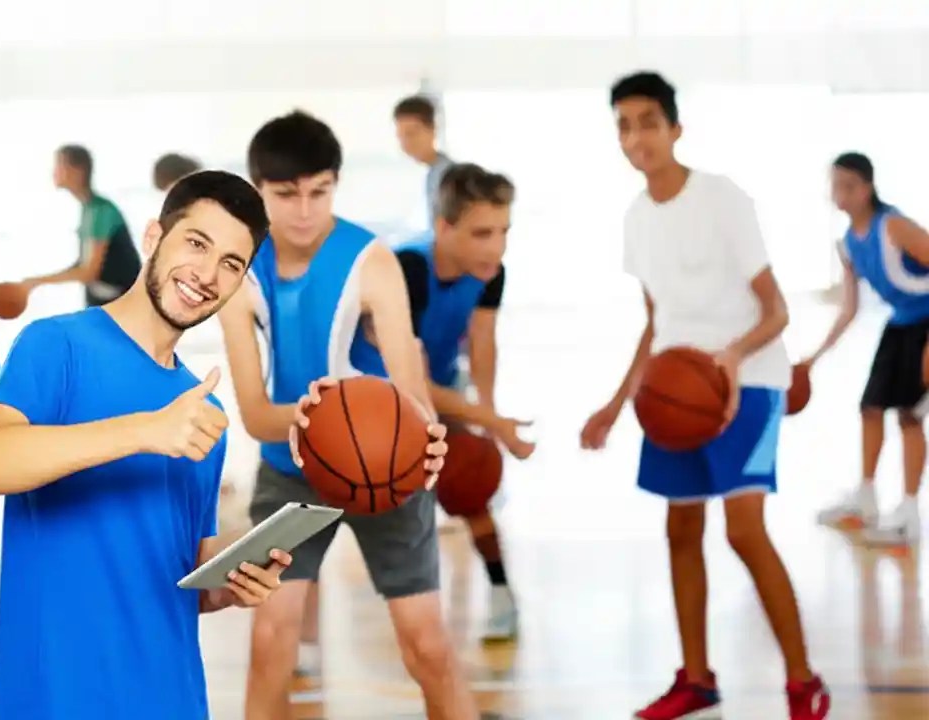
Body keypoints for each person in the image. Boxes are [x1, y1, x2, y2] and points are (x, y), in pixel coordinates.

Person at [0, 170, 290, 720]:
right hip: (56, 699)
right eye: (197, 244)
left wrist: (232, 577)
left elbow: (181, 575)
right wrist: (142, 430)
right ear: (154, 237)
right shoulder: (56, 344)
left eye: (232, 264)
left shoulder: (203, 414)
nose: (207, 275)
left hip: (173, 698)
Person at [579, 72, 830, 720]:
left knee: (745, 531)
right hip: (677, 386)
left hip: (748, 380)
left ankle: (803, 684)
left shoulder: (723, 198)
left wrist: (731, 360)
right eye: (624, 125)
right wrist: (615, 402)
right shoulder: (635, 219)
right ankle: (696, 680)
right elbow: (656, 321)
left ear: (675, 128)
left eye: (647, 122)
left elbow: (776, 311)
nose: (636, 137)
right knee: (680, 528)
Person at [217, 110, 474, 719]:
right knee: (270, 639)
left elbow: (410, 390)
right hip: (290, 470)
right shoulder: (239, 269)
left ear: (334, 184)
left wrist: (427, 438)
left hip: (384, 464)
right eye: (286, 195)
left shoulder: (371, 261)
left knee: (427, 646)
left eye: (319, 192)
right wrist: (315, 421)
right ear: (259, 191)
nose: (305, 210)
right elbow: (254, 413)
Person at [352, 161, 534, 643]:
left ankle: (500, 594)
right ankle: (305, 631)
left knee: (469, 480)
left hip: (436, 384)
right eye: (481, 233)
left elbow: (482, 342)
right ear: (443, 227)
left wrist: (489, 422)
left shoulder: (490, 272)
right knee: (374, 506)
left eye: (503, 231)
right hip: (376, 394)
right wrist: (488, 416)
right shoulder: (407, 269)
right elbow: (401, 374)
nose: (496, 246)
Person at [811, 152, 927, 546]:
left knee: (910, 416)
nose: (840, 193)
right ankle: (865, 497)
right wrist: (814, 356)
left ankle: (909, 513)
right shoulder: (846, 245)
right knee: (871, 407)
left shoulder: (893, 226)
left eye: (848, 185)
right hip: (900, 323)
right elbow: (849, 309)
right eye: (835, 184)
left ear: (867, 188)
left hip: (926, 321)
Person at [18, 145, 142, 307]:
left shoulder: (101, 211)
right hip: (103, 301)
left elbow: (88, 272)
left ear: (78, 171)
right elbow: (84, 265)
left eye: (59, 165)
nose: (54, 172)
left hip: (123, 304)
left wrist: (38, 281)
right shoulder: (88, 208)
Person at [393, 95, 454, 227]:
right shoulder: (432, 173)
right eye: (401, 136)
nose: (406, 143)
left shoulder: (449, 176)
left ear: (433, 130)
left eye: (411, 134)